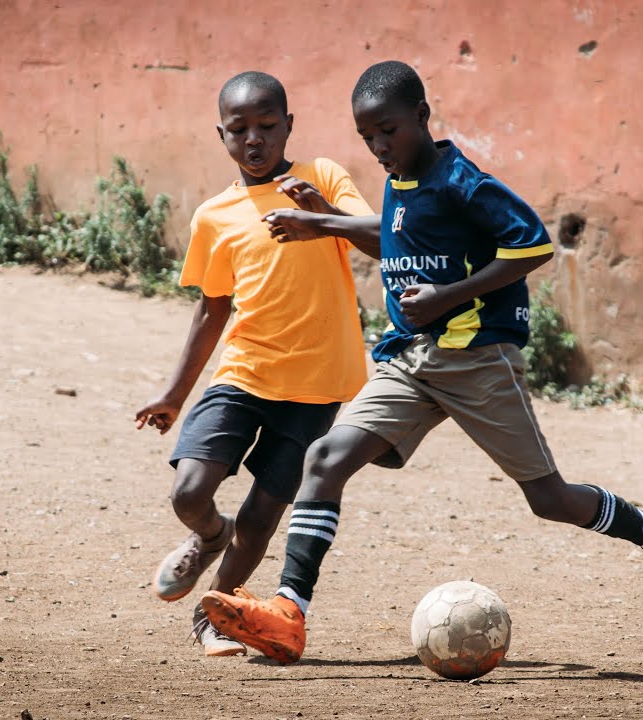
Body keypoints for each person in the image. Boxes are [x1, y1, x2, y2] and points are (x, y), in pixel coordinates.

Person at [200, 61, 643, 664]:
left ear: (422, 116)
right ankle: (290, 612)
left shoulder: (462, 181)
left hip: (478, 359)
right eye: (368, 138)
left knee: (548, 498)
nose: (379, 147)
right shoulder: (400, 181)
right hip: (410, 360)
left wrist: (447, 295)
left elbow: (533, 245)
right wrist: (321, 222)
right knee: (326, 458)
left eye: (388, 131)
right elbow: (392, 236)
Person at [134, 70, 378, 657]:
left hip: (317, 386)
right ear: (221, 135)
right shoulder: (215, 216)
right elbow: (210, 310)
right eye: (239, 129)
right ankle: (209, 534)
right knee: (189, 492)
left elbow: (378, 236)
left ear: (289, 126)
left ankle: (218, 616)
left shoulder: (321, 178)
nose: (254, 139)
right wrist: (173, 393)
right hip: (244, 371)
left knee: (265, 510)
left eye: (268, 126)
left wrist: (321, 215)